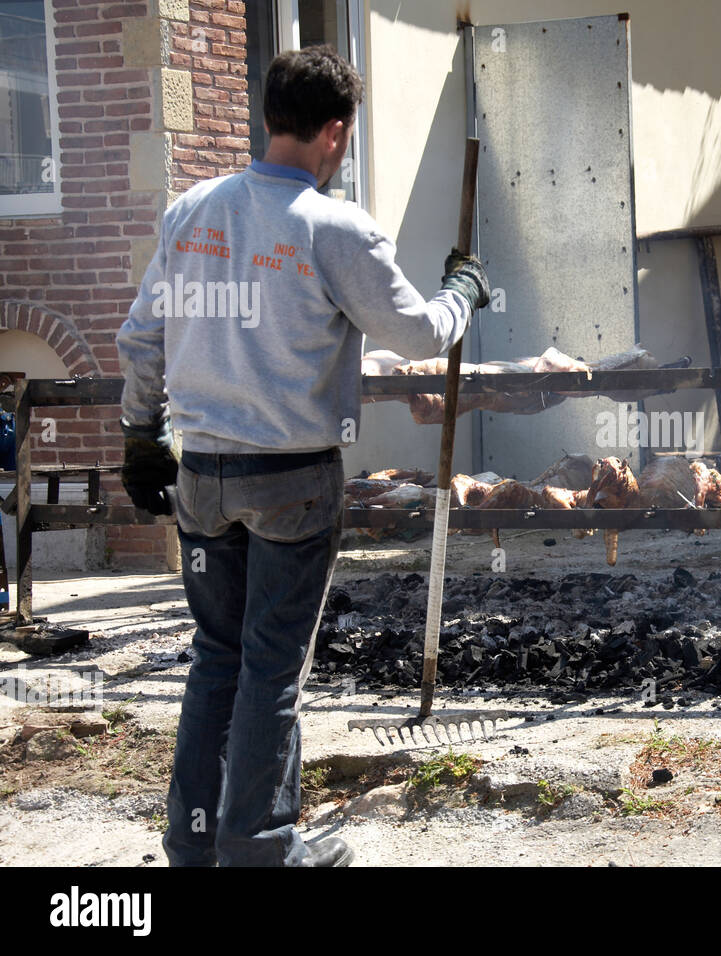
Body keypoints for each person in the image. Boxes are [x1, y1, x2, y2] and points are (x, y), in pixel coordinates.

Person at [115, 45, 489, 866]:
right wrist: (463, 291)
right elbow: (418, 334)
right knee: (271, 668)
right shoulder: (335, 226)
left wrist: (142, 434)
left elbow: (140, 336)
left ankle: (193, 840)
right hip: (292, 483)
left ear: (264, 117)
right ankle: (258, 848)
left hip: (203, 476)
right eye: (343, 137)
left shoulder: (191, 213)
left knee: (217, 658)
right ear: (333, 131)